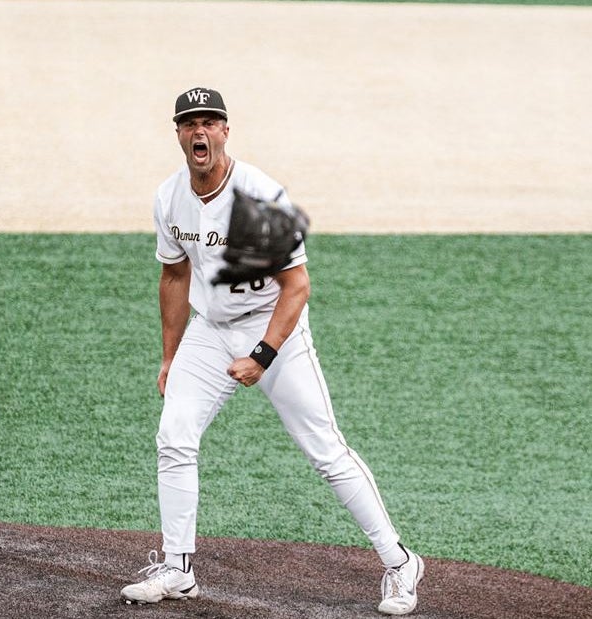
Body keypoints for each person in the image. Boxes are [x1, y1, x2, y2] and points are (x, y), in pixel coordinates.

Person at [120, 87, 424, 616]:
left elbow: (297, 286)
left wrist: (263, 355)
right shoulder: (168, 197)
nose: (199, 131)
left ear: (225, 131)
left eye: (209, 121)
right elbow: (174, 275)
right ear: (178, 134)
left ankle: (400, 563)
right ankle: (177, 568)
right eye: (189, 123)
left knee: (325, 450)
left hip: (272, 326)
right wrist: (170, 356)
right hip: (210, 329)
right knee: (174, 436)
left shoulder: (261, 196)